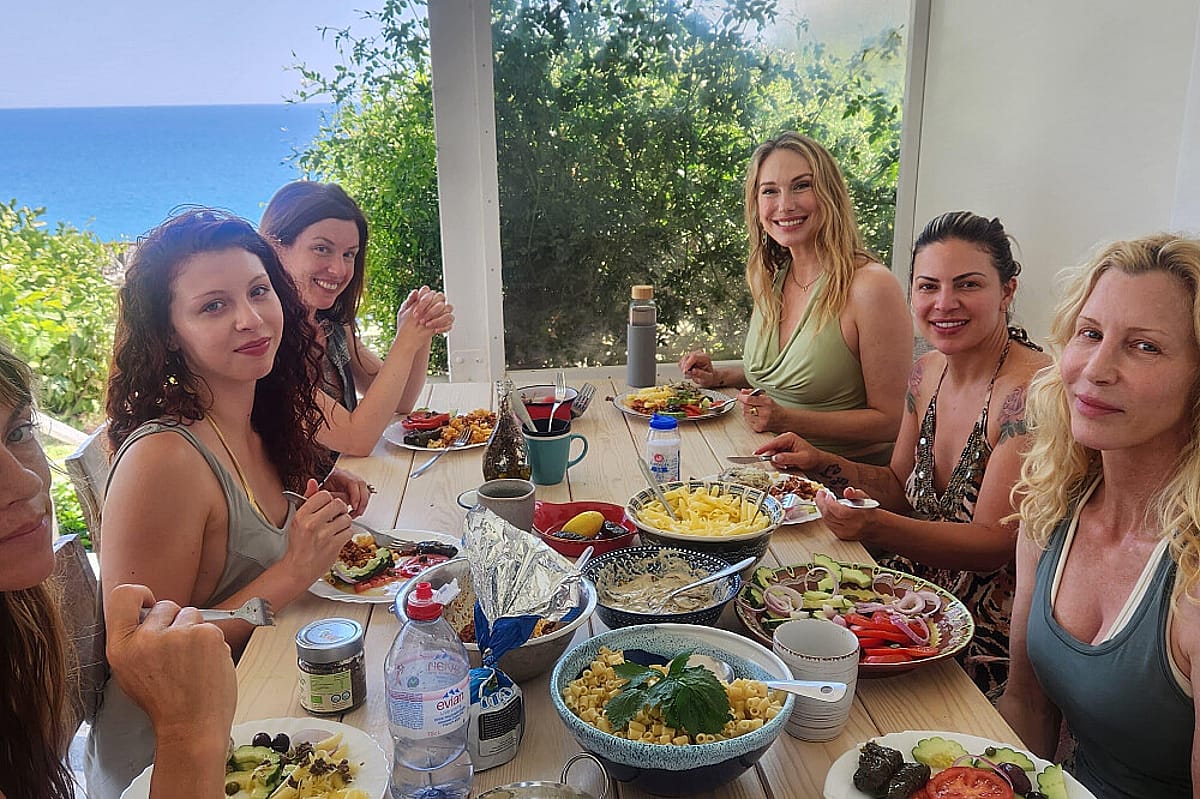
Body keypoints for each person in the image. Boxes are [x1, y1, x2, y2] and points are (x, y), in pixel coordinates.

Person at [87, 210, 368, 797]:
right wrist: (293, 570)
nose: (251, 318)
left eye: (259, 291)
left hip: (259, 709)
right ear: (169, 334)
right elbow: (150, 669)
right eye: (213, 306)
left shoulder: (254, 417)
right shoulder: (162, 459)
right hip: (173, 764)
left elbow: (236, 542)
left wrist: (303, 502)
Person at [758, 211, 1050, 698]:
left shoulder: (1032, 394)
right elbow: (897, 486)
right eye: (927, 286)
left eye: (968, 285)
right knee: (782, 634)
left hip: (989, 633)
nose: (944, 304)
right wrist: (823, 463)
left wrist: (874, 527)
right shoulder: (926, 372)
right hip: (912, 595)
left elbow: (991, 546)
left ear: (1008, 291)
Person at [999, 235, 1200, 798]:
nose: (1096, 368)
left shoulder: (1193, 574)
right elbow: (1026, 708)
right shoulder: (1052, 508)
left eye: (1144, 347)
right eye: (1090, 334)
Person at [0, 341, 237, 799]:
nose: (25, 482)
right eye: (213, 304)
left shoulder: (19, 618)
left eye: (17, 433)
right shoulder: (162, 454)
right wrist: (190, 732)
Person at [678, 132, 911, 464]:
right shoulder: (774, 276)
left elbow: (892, 422)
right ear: (757, 205)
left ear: (829, 194)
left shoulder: (871, 286)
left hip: (841, 485)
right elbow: (800, 373)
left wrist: (786, 419)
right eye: (770, 191)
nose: (785, 205)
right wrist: (721, 377)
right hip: (768, 468)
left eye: (802, 185)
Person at [261, 181, 455, 456]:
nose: (338, 269)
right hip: (302, 498)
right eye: (322, 249)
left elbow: (401, 401)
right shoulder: (264, 344)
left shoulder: (332, 324)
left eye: (349, 254)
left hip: (350, 488)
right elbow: (356, 439)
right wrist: (406, 343)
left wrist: (420, 327)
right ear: (275, 246)